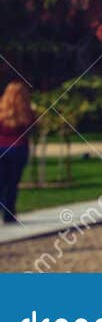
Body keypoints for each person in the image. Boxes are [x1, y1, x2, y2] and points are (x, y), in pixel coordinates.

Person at [0, 81, 38, 224]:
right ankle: (9, 213)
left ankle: (4, 209)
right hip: (18, 149)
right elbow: (33, 127)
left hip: (1, 148)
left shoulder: (1, 111)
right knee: (12, 183)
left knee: (1, 182)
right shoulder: (27, 113)